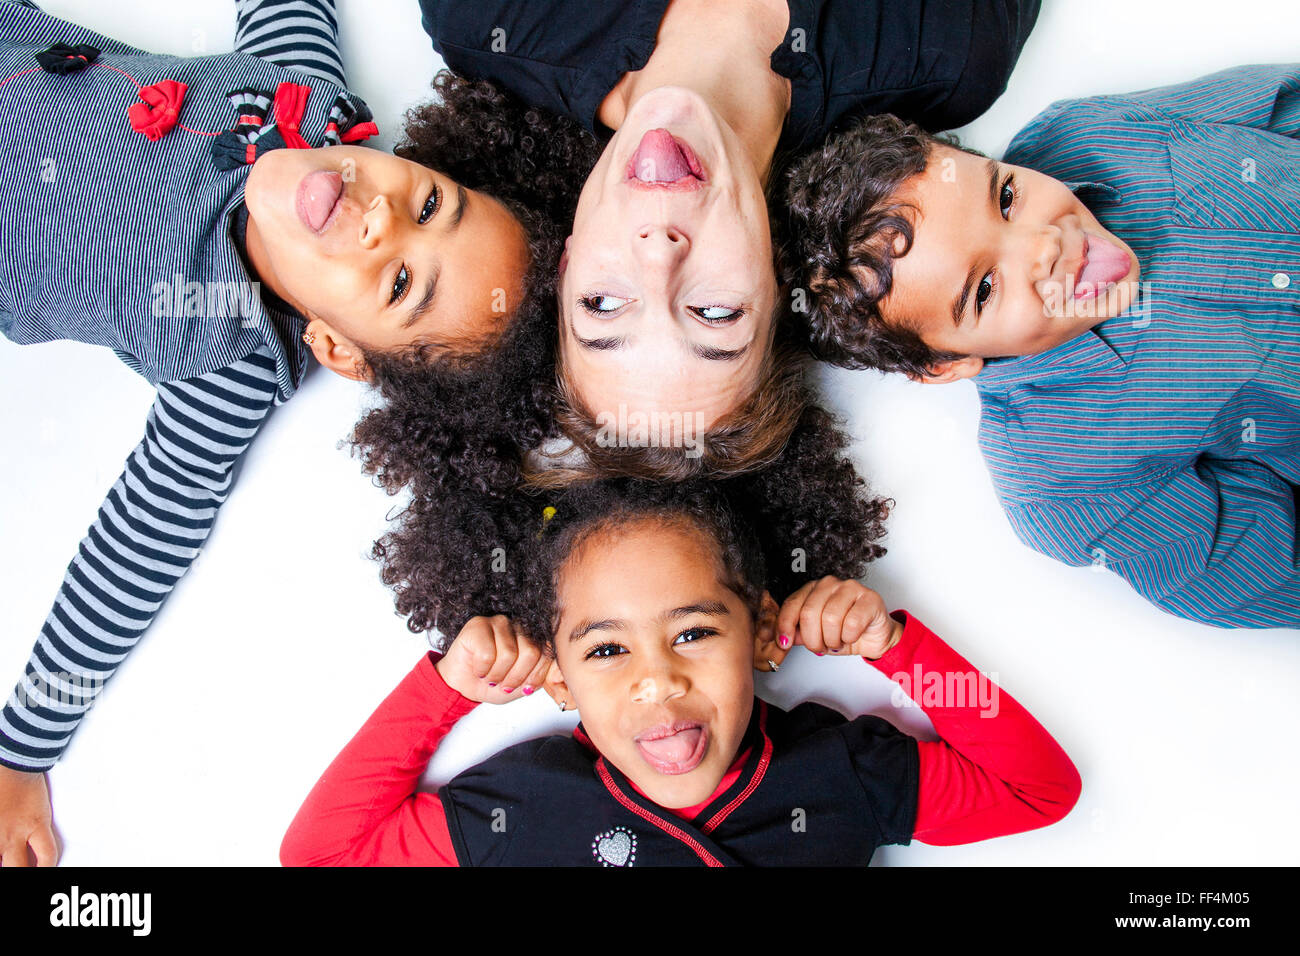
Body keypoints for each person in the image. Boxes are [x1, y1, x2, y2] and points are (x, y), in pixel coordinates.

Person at [0, 0, 596, 866]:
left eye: (396, 285)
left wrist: (23, 750)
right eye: (430, 203)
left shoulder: (226, 354)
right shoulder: (309, 101)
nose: (383, 220)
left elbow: (137, 545)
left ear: (335, 348)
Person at [280, 478, 1080, 865]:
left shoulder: (840, 773)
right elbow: (320, 857)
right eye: (603, 650)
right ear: (557, 680)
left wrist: (897, 647)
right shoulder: (523, 808)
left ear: (764, 631)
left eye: (693, 632)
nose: (656, 681)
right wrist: (443, 692)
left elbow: (1038, 792)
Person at [416, 0, 1042, 478]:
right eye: (714, 313)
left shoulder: (480, 17)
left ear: (569, 260)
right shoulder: (949, 48)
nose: (659, 254)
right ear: (777, 281)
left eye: (603, 305)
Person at [779, 65, 1300, 628]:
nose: (1046, 245)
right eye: (984, 289)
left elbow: (1281, 103)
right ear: (941, 364)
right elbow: (1267, 574)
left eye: (1006, 198)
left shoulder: (1083, 136)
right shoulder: (1064, 480)